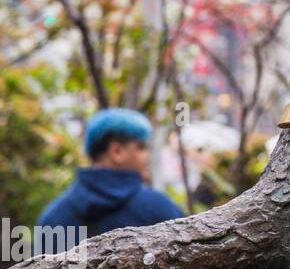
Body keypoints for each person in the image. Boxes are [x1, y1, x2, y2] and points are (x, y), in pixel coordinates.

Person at [36, 108, 184, 254]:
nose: (147, 156)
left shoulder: (53, 219)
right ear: (116, 152)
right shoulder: (158, 208)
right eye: (141, 147)